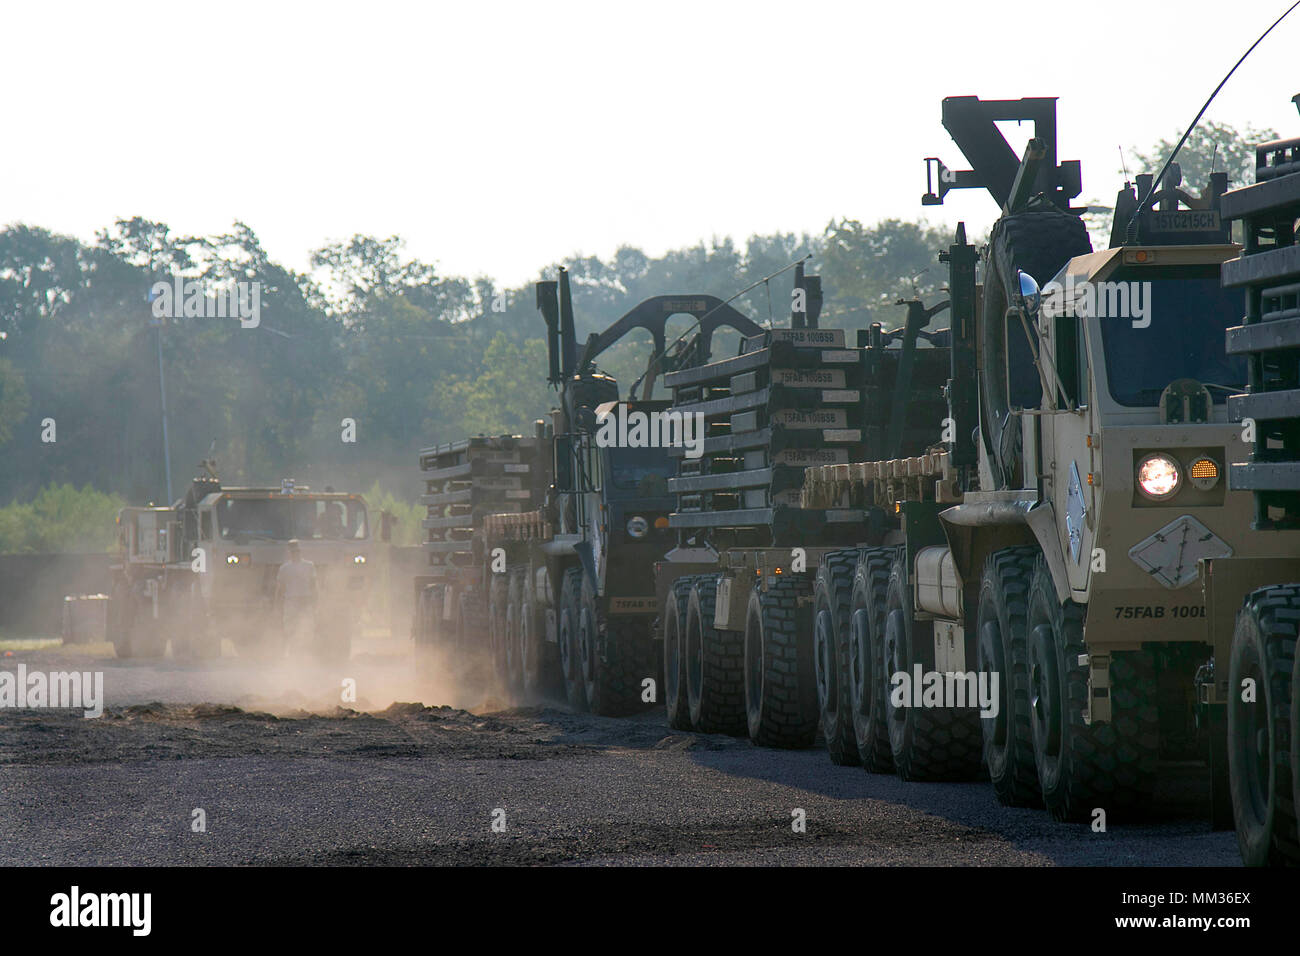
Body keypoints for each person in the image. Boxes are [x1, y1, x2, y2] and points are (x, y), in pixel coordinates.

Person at [275, 539, 317, 655]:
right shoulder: (284, 568)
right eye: (293, 551)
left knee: (306, 626)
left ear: (300, 551)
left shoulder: (309, 566)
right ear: (290, 552)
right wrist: (278, 603)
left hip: (305, 600)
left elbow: (313, 585)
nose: (295, 553)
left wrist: (315, 601)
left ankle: (305, 651)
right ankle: (294, 650)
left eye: (297, 551)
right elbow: (280, 588)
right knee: (291, 626)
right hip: (291, 601)